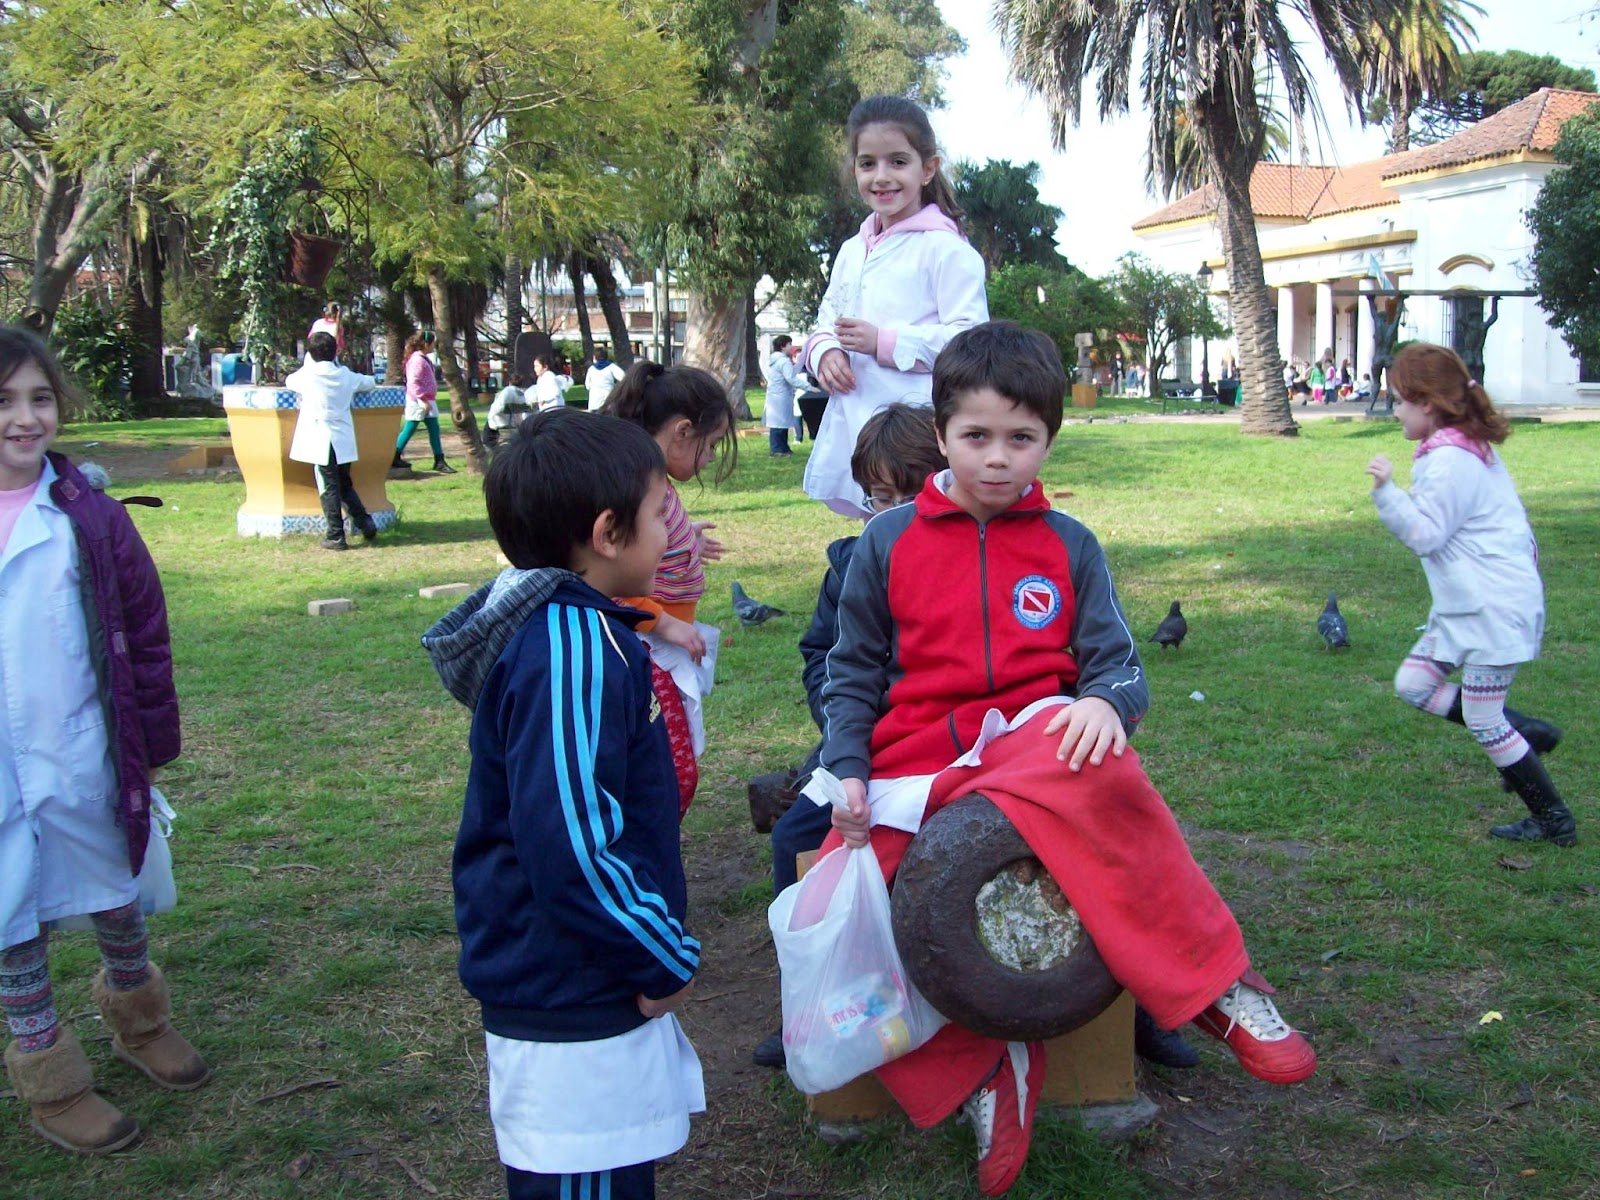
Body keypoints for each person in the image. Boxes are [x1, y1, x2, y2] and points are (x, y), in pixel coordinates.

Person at [814, 322, 1316, 1196]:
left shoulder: (1069, 544)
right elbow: (851, 670)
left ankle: (1215, 987)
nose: (998, 460)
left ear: (1049, 438)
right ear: (941, 434)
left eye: (1021, 438)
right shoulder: (887, 543)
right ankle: (984, 1075)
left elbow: (1119, 664)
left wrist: (1102, 703)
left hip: (1031, 741)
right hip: (919, 760)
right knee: (840, 905)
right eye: (976, 437)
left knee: (1107, 771)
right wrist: (847, 767)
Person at [422, 408, 703, 1200]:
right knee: (586, 1181)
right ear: (609, 533)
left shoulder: (589, 628)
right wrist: (662, 952)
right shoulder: (570, 649)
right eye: (660, 511)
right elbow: (575, 842)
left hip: (584, 976)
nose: (674, 528)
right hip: (574, 985)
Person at [0, 326, 211, 1155]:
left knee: (115, 886)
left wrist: (150, 740)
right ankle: (49, 1075)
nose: (24, 418)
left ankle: (140, 1017)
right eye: (5, 401)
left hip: (83, 748)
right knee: (13, 916)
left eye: (39, 398)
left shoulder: (89, 518)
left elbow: (145, 632)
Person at [1365, 343, 1574, 847]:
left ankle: (1553, 819)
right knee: (1415, 683)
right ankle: (1530, 736)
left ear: (1427, 404)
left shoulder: (1452, 461)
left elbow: (1426, 535)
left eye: (1398, 400)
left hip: (1491, 611)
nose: (1394, 410)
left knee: (1485, 718)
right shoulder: (1458, 449)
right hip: (1470, 606)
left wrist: (1388, 493)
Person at [801, 95, 988, 516]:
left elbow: (970, 342)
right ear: (854, 171)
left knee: (921, 529)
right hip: (858, 421)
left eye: (898, 162)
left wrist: (885, 341)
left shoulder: (945, 249)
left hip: (917, 430)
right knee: (875, 529)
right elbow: (828, 315)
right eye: (868, 164)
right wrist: (824, 350)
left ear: (928, 168)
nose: (881, 177)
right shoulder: (852, 249)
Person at [286, 331, 380, 550]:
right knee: (344, 483)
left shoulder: (306, 376)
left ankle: (336, 535)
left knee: (329, 487)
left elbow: (289, 381)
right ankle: (365, 522)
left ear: (310, 353)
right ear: (335, 351)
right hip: (342, 438)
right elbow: (369, 382)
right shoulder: (345, 375)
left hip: (320, 439)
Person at [392, 330, 456, 474]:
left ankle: (439, 460)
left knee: (434, 429)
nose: (434, 346)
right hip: (418, 400)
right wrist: (421, 400)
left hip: (427, 400)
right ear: (426, 344)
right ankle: (394, 456)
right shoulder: (417, 360)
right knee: (410, 428)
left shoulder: (423, 359)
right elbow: (413, 382)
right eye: (433, 343)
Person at [763, 335, 804, 457]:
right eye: (789, 344)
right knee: (779, 424)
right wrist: (808, 386)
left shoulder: (772, 361)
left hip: (775, 395)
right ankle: (777, 449)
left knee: (780, 422)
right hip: (781, 396)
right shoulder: (784, 361)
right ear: (782, 346)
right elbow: (791, 378)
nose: (791, 347)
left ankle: (783, 447)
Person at [485, 374, 532, 449]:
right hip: (511, 421)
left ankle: (494, 451)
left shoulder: (507, 391)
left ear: (510, 382)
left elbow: (498, 407)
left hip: (498, 421)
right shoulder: (521, 394)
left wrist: (491, 415)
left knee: (487, 439)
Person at [585, 348, 626, 413]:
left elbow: (587, 386)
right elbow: (624, 378)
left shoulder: (591, 369)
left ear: (594, 357)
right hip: (608, 402)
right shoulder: (612, 367)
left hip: (594, 403)